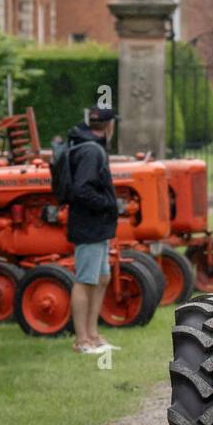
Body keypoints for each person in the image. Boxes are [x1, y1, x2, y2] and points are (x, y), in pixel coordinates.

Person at [65, 106, 119, 354]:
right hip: (90, 225)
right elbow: (81, 190)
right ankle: (81, 341)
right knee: (85, 280)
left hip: (97, 225)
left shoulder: (88, 146)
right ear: (109, 126)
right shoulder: (91, 151)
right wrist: (109, 204)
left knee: (101, 277)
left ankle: (93, 335)